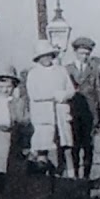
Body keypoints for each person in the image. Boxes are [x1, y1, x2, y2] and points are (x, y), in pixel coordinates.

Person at [25, 39, 76, 175]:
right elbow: (34, 95)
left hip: (61, 114)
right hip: (43, 115)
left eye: (49, 55)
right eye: (43, 56)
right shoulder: (33, 73)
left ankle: (70, 177)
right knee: (43, 147)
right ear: (38, 58)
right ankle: (43, 177)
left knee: (66, 147)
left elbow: (71, 90)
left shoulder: (61, 70)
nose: (46, 59)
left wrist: (63, 95)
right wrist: (53, 95)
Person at [66, 36, 100, 179]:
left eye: (87, 54)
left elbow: (98, 91)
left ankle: (86, 177)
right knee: (74, 145)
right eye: (81, 53)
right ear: (75, 52)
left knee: (88, 146)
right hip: (72, 111)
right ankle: (75, 176)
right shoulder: (67, 69)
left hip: (89, 112)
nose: (84, 56)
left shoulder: (93, 70)